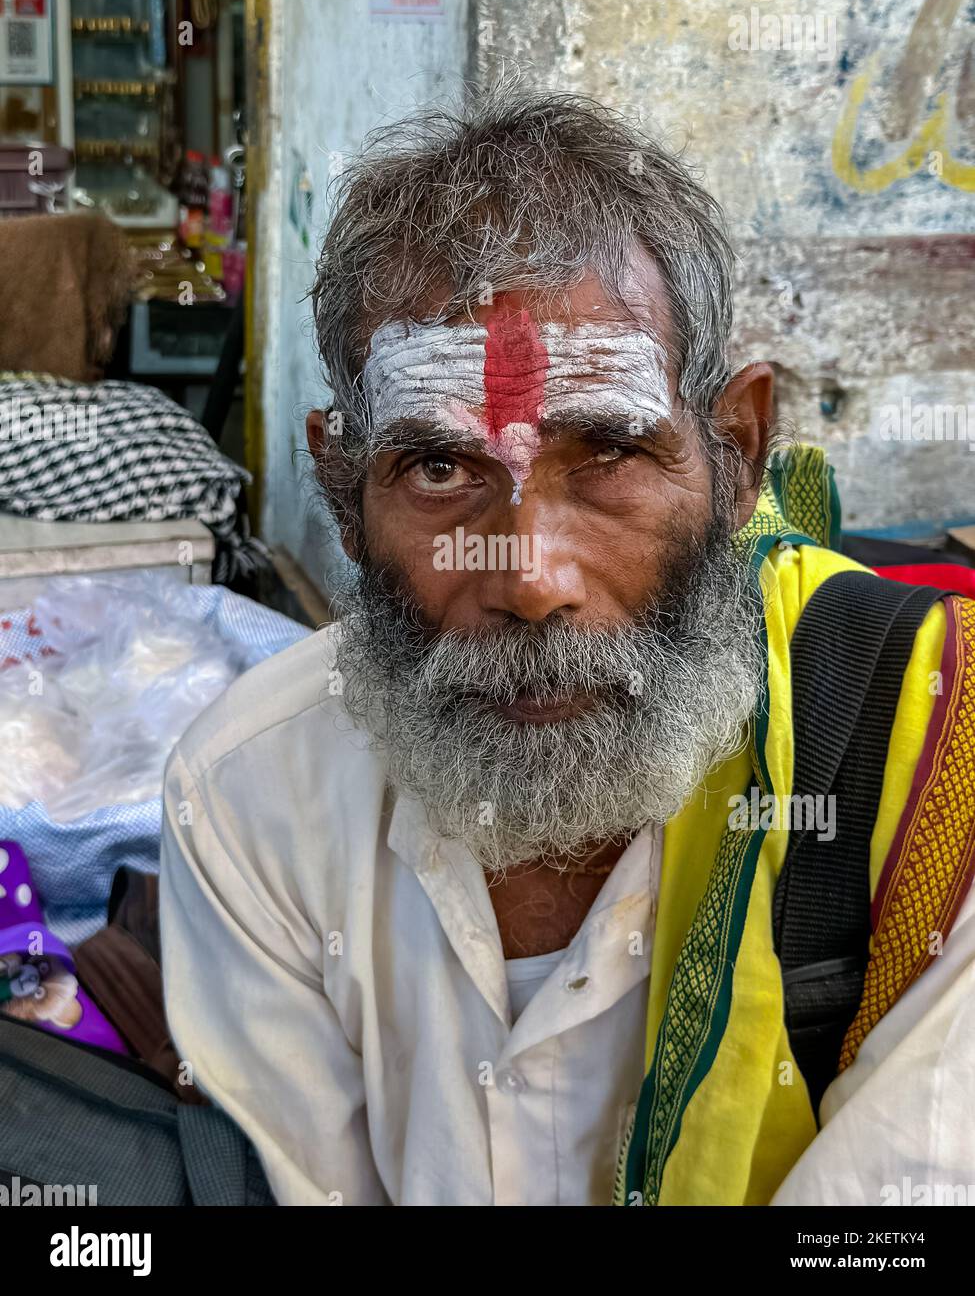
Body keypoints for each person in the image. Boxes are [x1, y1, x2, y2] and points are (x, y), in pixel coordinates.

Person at [159, 87, 975, 1206]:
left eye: (609, 456)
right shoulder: (249, 796)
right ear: (346, 496)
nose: (530, 581)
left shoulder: (926, 761)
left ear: (736, 454)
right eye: (440, 471)